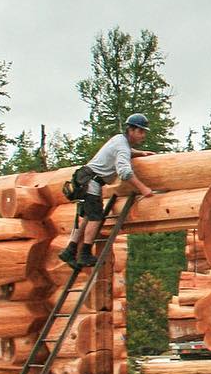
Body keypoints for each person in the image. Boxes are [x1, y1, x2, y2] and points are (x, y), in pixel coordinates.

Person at [60, 113, 157, 269]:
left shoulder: (119, 140)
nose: (143, 135)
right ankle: (84, 253)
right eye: (140, 131)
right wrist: (143, 188)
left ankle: (70, 251)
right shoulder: (122, 147)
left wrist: (139, 153)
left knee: (87, 218)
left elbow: (120, 151)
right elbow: (124, 172)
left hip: (85, 179)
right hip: (91, 182)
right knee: (96, 218)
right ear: (131, 130)